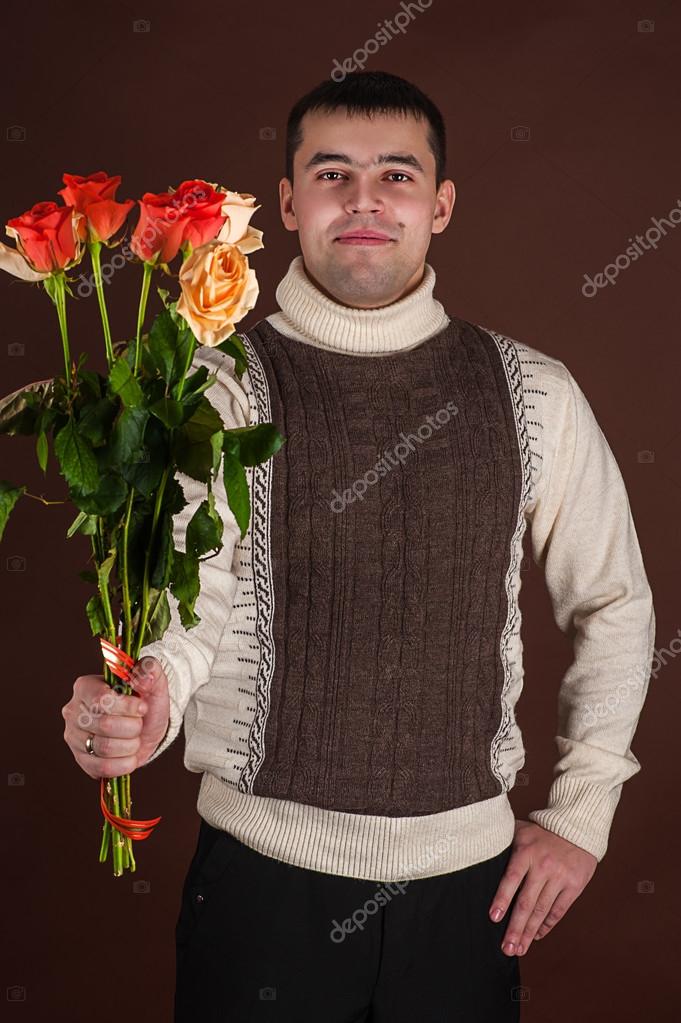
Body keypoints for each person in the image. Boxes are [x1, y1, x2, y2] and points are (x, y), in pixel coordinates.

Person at [62, 70, 656, 1022]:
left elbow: (614, 606)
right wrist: (143, 707)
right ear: (289, 203)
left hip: (468, 894)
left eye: (397, 174)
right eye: (332, 174)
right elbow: (191, 607)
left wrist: (581, 813)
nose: (365, 199)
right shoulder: (217, 388)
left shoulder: (533, 392)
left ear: (441, 204)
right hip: (261, 889)